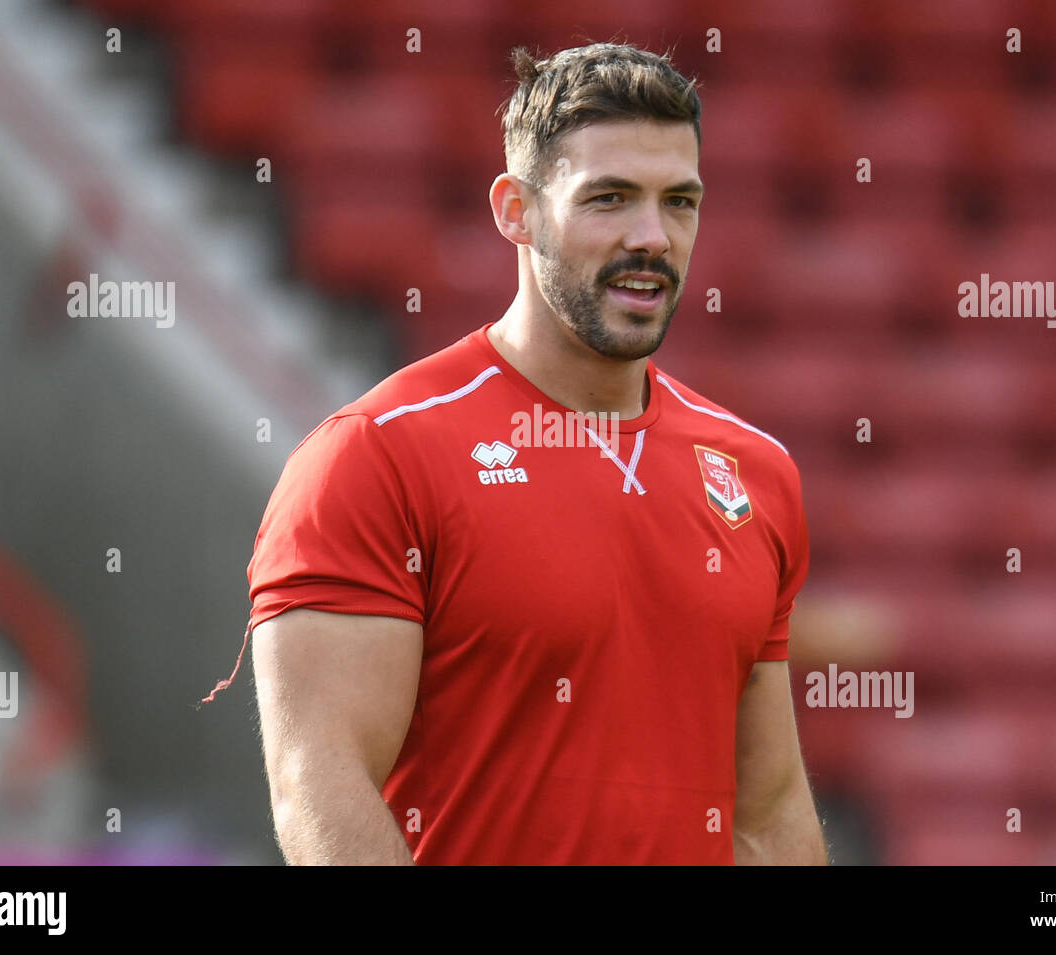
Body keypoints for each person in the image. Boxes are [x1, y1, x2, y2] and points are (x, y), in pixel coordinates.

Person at [245, 42, 826, 865]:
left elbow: (769, 811)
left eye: (680, 201)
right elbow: (320, 784)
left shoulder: (756, 472)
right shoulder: (378, 456)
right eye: (610, 199)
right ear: (516, 210)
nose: (653, 237)